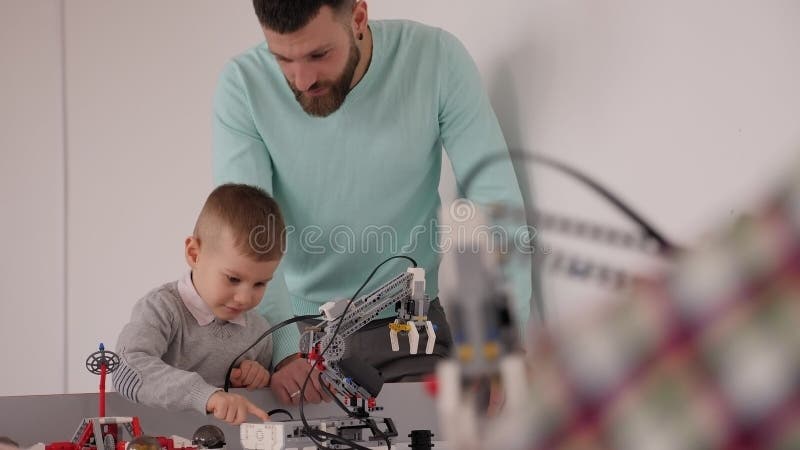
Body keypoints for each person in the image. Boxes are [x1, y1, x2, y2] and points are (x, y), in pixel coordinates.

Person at [212, 0, 531, 405]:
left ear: (358, 17)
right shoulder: (243, 84)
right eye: (283, 59)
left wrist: (501, 345)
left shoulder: (436, 59)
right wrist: (286, 348)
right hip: (296, 337)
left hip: (411, 328)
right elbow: (246, 232)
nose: (302, 79)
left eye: (319, 54)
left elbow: (493, 203)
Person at [113, 184, 285, 425]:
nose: (245, 298)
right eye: (233, 279)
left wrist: (258, 379)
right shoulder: (162, 308)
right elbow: (126, 370)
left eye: (260, 284)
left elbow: (255, 408)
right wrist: (208, 396)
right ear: (194, 254)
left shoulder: (258, 330)